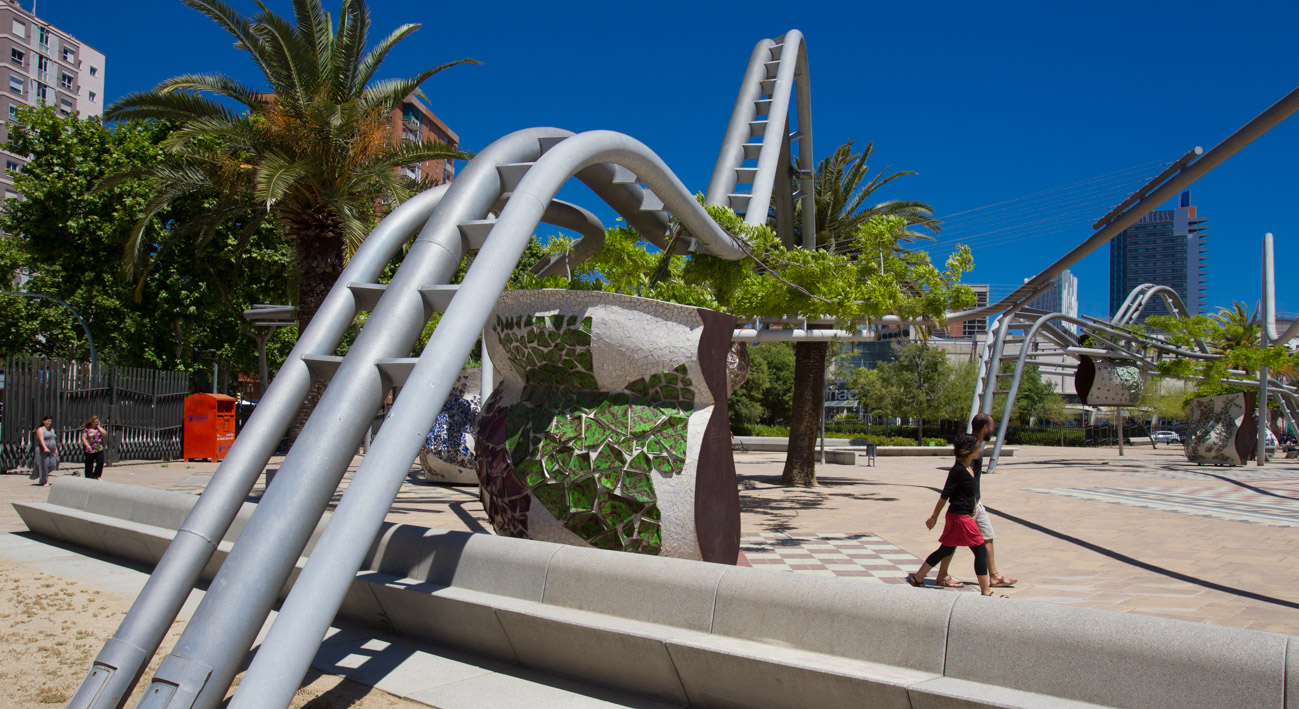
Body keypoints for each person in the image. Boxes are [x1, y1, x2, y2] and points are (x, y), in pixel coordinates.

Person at [906, 433, 1006, 597]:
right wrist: (934, 517)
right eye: (977, 447)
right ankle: (986, 591)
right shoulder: (958, 471)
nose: (980, 449)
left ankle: (918, 578)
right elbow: (945, 495)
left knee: (945, 549)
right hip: (960, 518)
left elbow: (970, 492)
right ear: (967, 450)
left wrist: (973, 505)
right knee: (980, 551)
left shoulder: (970, 467)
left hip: (962, 516)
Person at [934, 413, 1017, 589]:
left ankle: (993, 576)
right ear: (985, 427)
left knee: (987, 536)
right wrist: (970, 502)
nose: (993, 430)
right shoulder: (971, 446)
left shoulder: (976, 445)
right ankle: (941, 575)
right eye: (992, 426)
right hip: (968, 504)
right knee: (952, 541)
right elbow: (963, 477)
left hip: (975, 502)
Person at [31, 415, 59, 487]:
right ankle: (44, 481)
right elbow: (41, 439)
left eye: (50, 421)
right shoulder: (40, 429)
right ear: (44, 421)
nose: (49, 423)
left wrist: (56, 449)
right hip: (42, 450)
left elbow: (53, 440)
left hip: (52, 450)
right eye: (48, 421)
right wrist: (45, 447)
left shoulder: (52, 429)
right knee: (44, 465)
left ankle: (40, 473)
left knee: (53, 464)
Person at [81, 415, 108, 480]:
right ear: (91, 422)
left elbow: (104, 433)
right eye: (95, 422)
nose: (96, 423)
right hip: (90, 449)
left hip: (98, 448)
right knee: (89, 463)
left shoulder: (98, 429)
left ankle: (97, 475)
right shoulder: (87, 430)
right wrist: (87, 445)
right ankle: (89, 476)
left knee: (100, 461)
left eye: (97, 422)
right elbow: (83, 438)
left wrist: (99, 427)